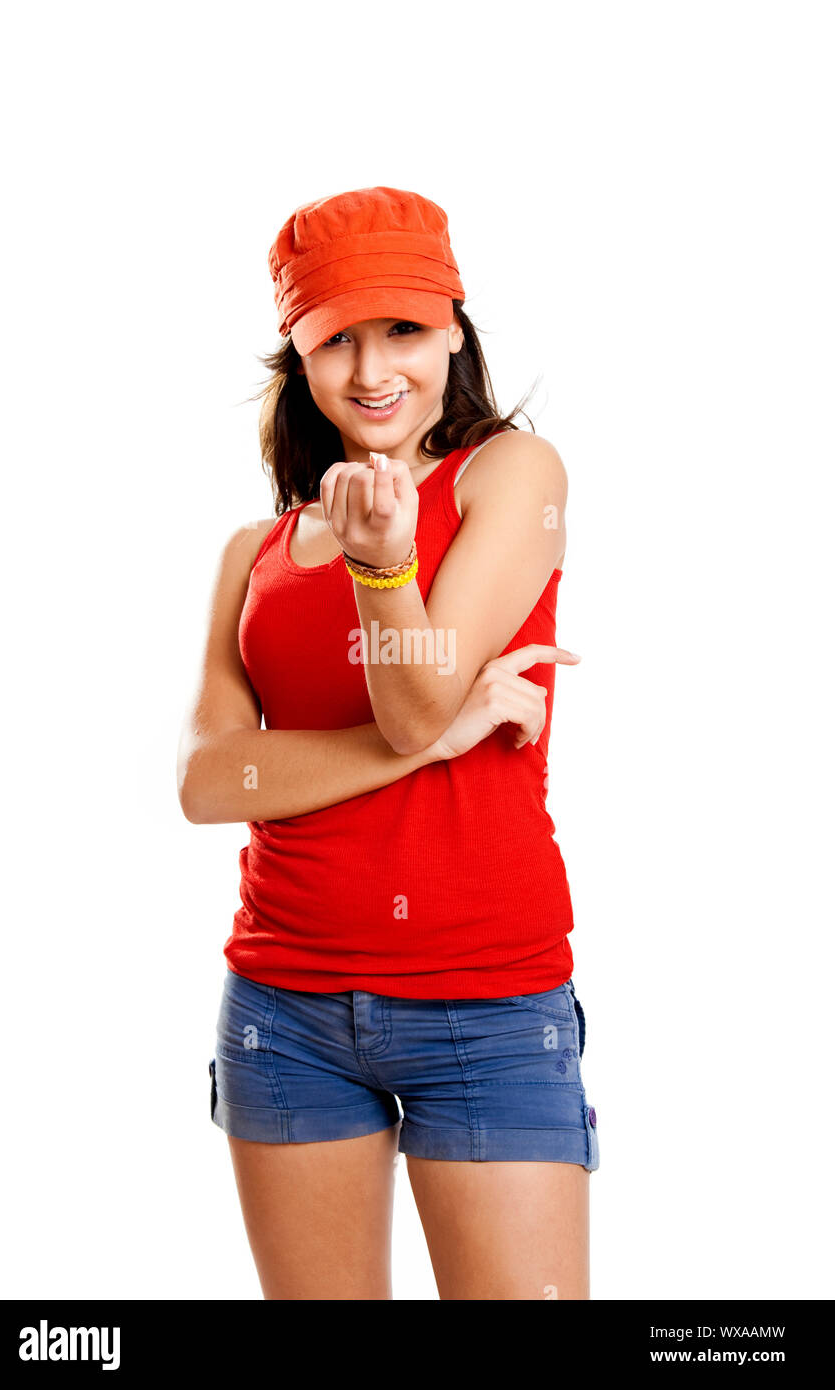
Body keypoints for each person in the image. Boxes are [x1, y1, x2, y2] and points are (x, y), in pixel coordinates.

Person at [177, 185, 599, 1300]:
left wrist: (381, 568)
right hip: (284, 1007)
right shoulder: (253, 552)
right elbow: (208, 782)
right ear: (299, 360)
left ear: (452, 330)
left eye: (403, 331)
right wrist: (437, 735)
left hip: (489, 999)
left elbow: (403, 703)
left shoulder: (512, 476)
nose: (372, 373)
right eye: (336, 341)